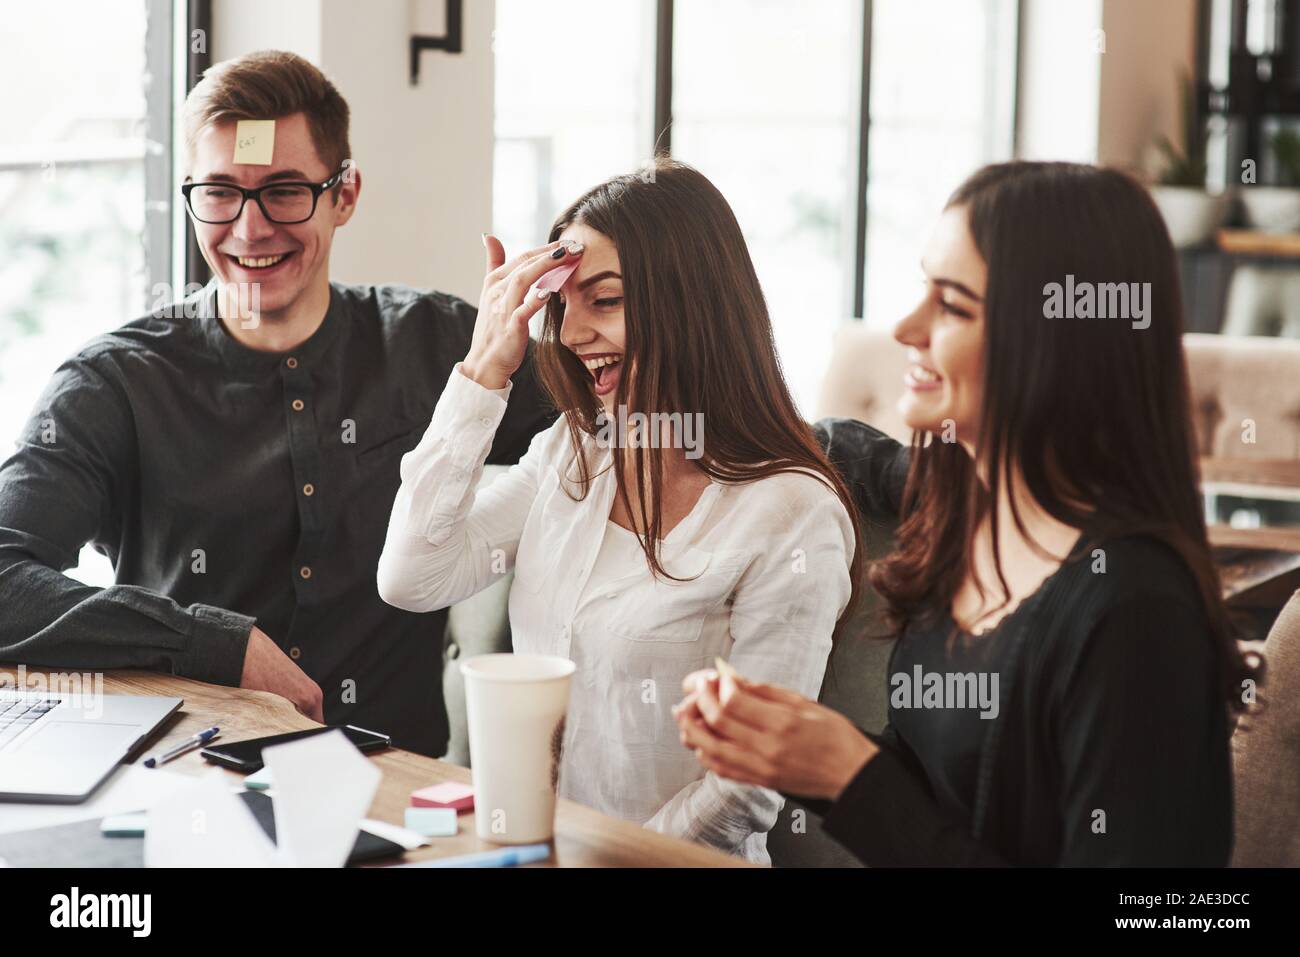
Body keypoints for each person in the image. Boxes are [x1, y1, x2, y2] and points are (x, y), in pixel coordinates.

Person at [676, 161, 1251, 866]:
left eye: (952, 305)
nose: (906, 326)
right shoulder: (966, 524)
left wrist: (848, 773)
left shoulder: (1135, 608)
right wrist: (797, 744)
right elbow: (945, 791)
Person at [0, 50, 553, 758]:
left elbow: (605, 436)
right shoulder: (114, 382)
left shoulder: (440, 342)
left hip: (402, 797)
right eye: (221, 192)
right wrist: (212, 644)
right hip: (193, 781)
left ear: (345, 193)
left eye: (285, 190)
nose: (250, 228)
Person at [377, 158, 861, 863]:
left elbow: (746, 784)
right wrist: (484, 369)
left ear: (688, 305)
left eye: (603, 301)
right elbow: (410, 575)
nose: (570, 335)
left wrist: (593, 856)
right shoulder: (576, 453)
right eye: (562, 306)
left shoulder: (792, 513)